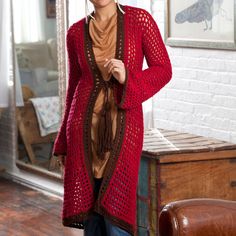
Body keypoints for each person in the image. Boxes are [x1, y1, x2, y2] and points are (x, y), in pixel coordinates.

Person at [53, 0, 172, 235]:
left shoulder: (139, 20)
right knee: (91, 218)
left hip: (124, 129)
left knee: (116, 219)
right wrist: (63, 142)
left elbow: (163, 69)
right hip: (83, 132)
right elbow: (74, 86)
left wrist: (128, 76)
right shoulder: (75, 32)